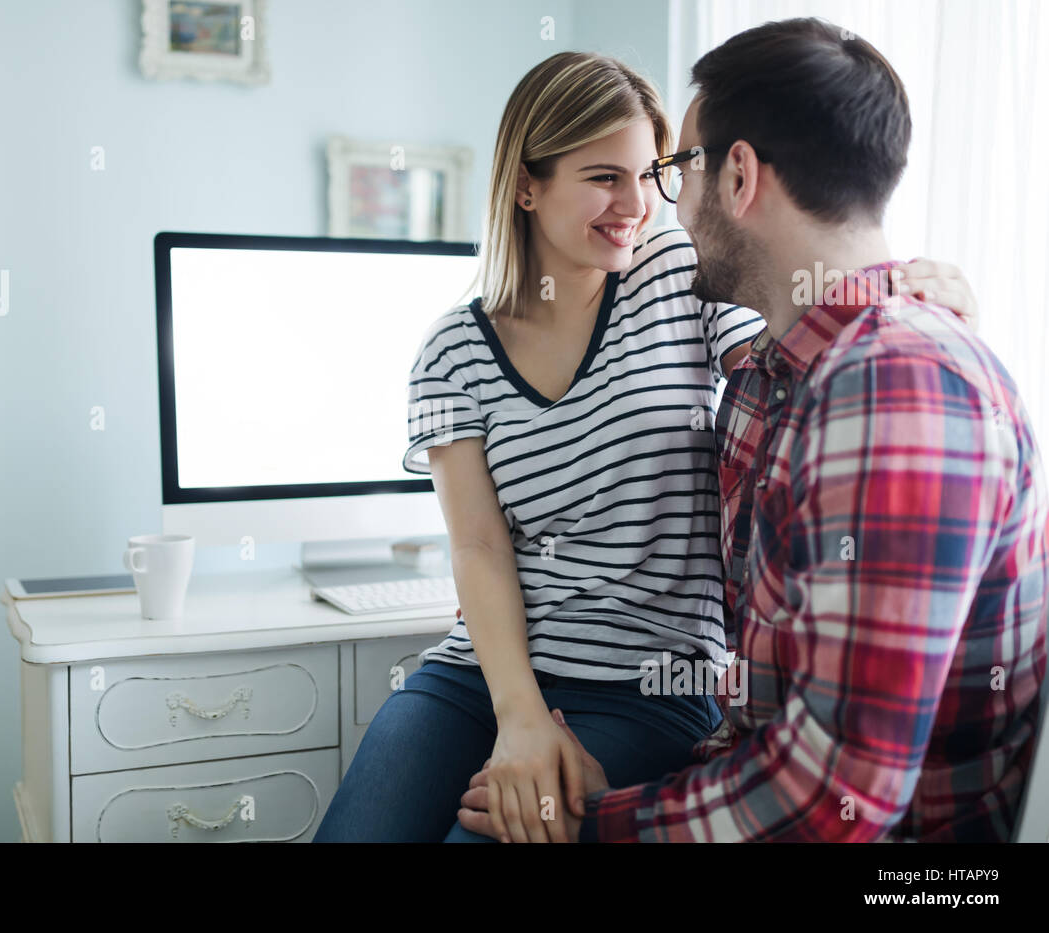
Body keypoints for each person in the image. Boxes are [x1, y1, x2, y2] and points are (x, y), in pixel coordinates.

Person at [314, 49, 974, 844]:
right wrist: (519, 714)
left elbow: (794, 353)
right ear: (526, 184)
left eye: (647, 174)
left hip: (652, 685)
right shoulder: (452, 351)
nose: (635, 203)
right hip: (486, 677)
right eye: (603, 177)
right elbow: (481, 547)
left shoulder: (678, 272)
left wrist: (903, 292)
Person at [457, 17, 1048, 843]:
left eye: (673, 171)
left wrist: (597, 821)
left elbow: (831, 801)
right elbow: (760, 728)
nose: (660, 207)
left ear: (737, 175)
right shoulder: (766, 381)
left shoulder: (898, 386)